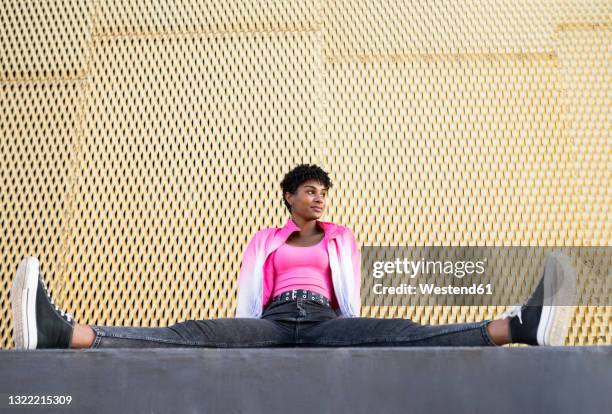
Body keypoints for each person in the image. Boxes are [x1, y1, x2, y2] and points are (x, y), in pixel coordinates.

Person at [10, 164, 576, 349]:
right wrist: (248, 326)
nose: (318, 196)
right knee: (195, 332)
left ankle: (520, 324)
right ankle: (63, 332)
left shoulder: (340, 237)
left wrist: (350, 324)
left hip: (328, 325)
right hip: (276, 324)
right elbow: (249, 301)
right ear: (290, 197)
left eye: (322, 191)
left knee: (401, 331)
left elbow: (350, 294)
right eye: (309, 190)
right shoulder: (265, 240)